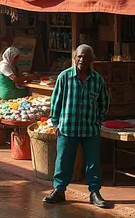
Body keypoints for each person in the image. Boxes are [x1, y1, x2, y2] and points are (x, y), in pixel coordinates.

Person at [44, 44, 110, 209]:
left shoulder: (97, 79)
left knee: (93, 162)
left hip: (90, 129)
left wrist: (98, 119)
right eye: (79, 57)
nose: (82, 60)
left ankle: (95, 192)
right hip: (68, 127)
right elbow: (56, 102)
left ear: (91, 60)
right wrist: (55, 123)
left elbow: (104, 103)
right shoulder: (64, 77)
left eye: (86, 57)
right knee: (63, 160)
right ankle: (59, 190)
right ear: (74, 58)